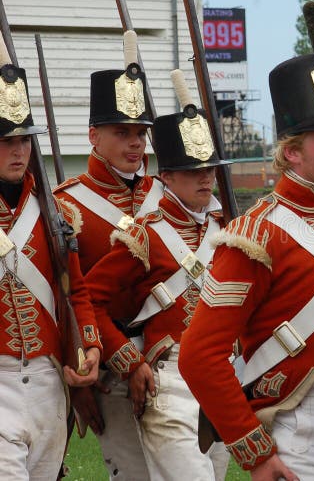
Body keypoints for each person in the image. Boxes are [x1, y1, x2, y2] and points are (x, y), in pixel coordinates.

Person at [179, 30, 314, 479]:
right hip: (302, 432)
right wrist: (256, 453)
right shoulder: (256, 235)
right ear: (291, 153)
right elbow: (199, 356)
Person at [84, 71, 230, 480]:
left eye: (210, 169)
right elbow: (83, 297)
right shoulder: (143, 233)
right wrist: (123, 361)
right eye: (193, 170)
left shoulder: (226, 227)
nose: (205, 177)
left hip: (219, 373)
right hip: (158, 372)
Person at [53, 30, 161, 480]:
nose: (136, 143)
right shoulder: (66, 205)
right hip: (109, 366)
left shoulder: (166, 196)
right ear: (93, 135)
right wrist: (77, 384)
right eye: (123, 132)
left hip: (172, 357)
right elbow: (67, 300)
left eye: (141, 133)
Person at [0, 39, 101, 479]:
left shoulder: (52, 211)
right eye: (6, 141)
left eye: (24, 139)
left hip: (46, 381)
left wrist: (91, 343)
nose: (18, 151)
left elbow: (75, 289)